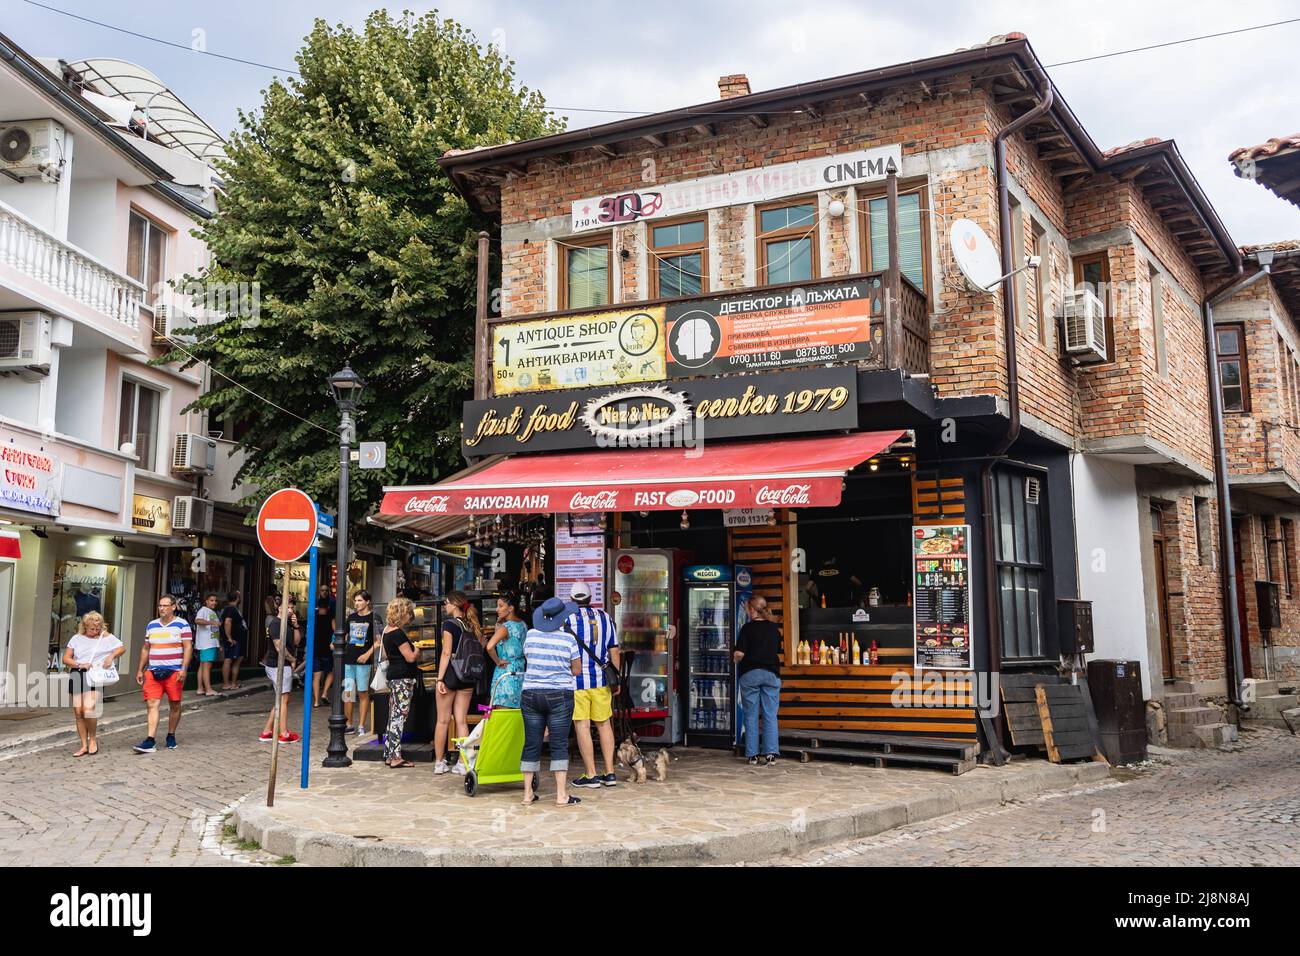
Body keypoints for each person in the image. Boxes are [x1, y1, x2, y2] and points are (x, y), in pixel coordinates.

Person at [520, 596, 583, 808]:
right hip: (560, 695)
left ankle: (528, 794)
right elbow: (576, 670)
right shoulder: (568, 640)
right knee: (559, 743)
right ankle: (561, 795)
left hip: (530, 694)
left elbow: (528, 659)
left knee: (531, 742)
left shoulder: (530, 635)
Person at [564, 582, 621, 789]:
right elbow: (614, 651)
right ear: (590, 599)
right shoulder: (606, 617)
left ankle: (591, 775)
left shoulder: (565, 620)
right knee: (604, 724)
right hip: (601, 681)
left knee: (582, 726)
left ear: (571, 600)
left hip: (576, 681)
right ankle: (610, 772)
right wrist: (616, 679)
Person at [133, 595, 193, 753]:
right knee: (152, 704)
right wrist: (140, 669)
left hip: (174, 671)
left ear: (173, 607)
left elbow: (187, 647)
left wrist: (184, 668)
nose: (162, 608)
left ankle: (171, 734)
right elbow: (146, 648)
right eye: (160, 605)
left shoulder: (182, 625)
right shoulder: (152, 625)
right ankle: (150, 740)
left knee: (175, 704)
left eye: (165, 605)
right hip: (153, 671)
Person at [432, 591, 483, 776]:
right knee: (461, 720)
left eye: (446, 603)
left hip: (451, 675)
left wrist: (439, 679)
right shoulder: (471, 624)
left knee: (443, 720)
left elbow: (446, 653)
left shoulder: (449, 624)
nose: (445, 606)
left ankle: (439, 762)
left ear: (454, 604)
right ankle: (463, 762)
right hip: (467, 676)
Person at [62, 611, 125, 757]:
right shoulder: (76, 638)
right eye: (92, 629)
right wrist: (79, 664)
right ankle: (83, 744)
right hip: (78, 674)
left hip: (96, 675)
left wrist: (111, 656)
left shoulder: (106, 637)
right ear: (84, 626)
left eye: (97, 628)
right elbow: (66, 658)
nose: (95, 631)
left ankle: (93, 740)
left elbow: (121, 648)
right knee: (79, 713)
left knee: (89, 708)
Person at [734, 594, 783, 766]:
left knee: (751, 715)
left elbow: (739, 654)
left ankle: (752, 755)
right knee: (770, 714)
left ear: (753, 610)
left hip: (750, 675)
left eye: (748, 609)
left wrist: (735, 657)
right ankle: (770, 754)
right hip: (771, 674)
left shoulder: (747, 629)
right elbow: (777, 650)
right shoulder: (774, 629)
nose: (748, 612)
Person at [380, 597, 419, 768]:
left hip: (393, 676)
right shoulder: (398, 633)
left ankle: (389, 754)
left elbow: (387, 655)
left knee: (393, 715)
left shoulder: (387, 631)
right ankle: (396, 757)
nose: (409, 616)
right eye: (407, 612)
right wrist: (417, 650)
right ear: (402, 613)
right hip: (403, 678)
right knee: (399, 717)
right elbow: (410, 658)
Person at [259, 602, 302, 744]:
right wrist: (292, 659)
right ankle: (283, 733)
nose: (290, 610)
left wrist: (296, 626)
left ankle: (267, 731)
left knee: (281, 699)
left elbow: (296, 642)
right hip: (278, 665)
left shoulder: (287, 624)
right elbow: (279, 647)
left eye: (291, 608)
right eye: (287, 607)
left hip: (283, 664)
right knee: (284, 699)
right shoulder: (276, 624)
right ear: (279, 609)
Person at [343, 590, 378, 734]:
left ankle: (362, 725)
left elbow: (378, 641)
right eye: (355, 600)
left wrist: (367, 654)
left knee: (363, 692)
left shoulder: (374, 618)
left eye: (360, 600)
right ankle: (349, 724)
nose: (357, 603)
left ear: (367, 601)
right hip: (349, 658)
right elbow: (344, 635)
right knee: (348, 692)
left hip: (364, 660)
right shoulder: (351, 617)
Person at [485, 590, 527, 709]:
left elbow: (489, 646)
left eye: (501, 606)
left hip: (505, 675)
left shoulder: (507, 627)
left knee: (502, 719)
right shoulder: (523, 624)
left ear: (511, 608)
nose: (497, 609)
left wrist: (497, 661)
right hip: (519, 674)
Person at [192, 593, 221, 697]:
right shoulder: (203, 610)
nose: (214, 602)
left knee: (203, 666)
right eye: (211, 600)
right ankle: (208, 689)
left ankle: (200, 688)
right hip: (207, 643)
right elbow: (197, 620)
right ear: (206, 601)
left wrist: (218, 643)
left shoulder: (211, 612)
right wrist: (211, 622)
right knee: (207, 666)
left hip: (210, 642)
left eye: (215, 600)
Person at [220, 591, 247, 691]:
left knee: (237, 660)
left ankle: (233, 683)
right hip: (233, 640)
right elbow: (227, 622)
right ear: (237, 598)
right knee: (229, 659)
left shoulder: (233, 609)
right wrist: (229, 637)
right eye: (239, 597)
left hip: (237, 639)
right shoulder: (230, 609)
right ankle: (227, 683)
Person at [313, 588, 335, 706]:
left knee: (317, 675)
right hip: (326, 649)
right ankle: (324, 693)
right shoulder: (330, 618)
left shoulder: (314, 619)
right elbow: (336, 631)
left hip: (317, 649)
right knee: (330, 672)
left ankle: (317, 701)